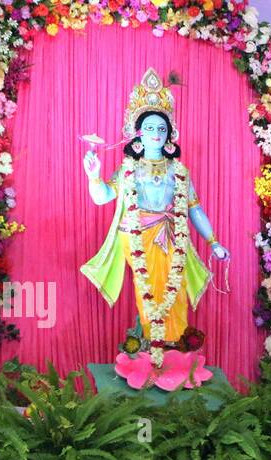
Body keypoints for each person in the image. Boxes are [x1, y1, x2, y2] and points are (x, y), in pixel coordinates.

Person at [80, 68, 228, 371]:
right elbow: (103, 197)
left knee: (176, 293)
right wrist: (93, 176)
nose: (156, 134)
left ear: (170, 133)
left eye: (162, 128)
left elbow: (195, 209)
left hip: (173, 234)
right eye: (149, 128)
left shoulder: (180, 171)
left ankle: (175, 353)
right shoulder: (128, 169)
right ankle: (151, 349)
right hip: (136, 236)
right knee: (147, 292)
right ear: (138, 132)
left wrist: (213, 242)